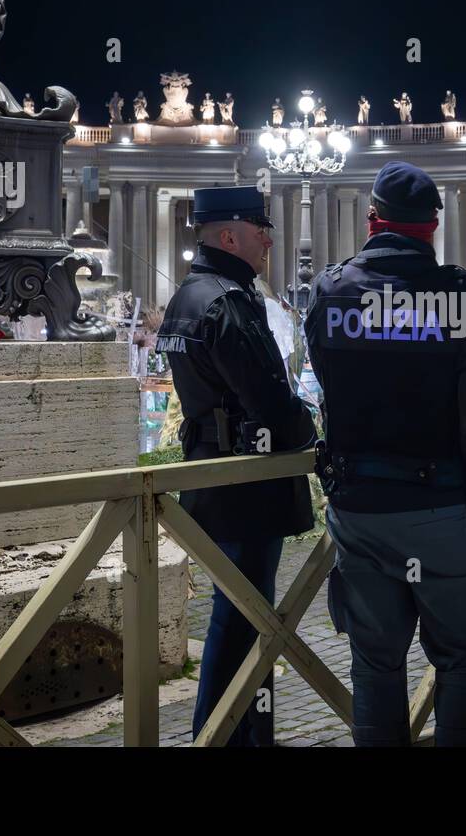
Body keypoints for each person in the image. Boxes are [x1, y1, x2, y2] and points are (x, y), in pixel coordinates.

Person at [305, 160, 466, 746]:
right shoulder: (464, 295)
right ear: (434, 226)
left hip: (360, 504)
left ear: (373, 221)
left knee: (375, 661)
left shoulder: (331, 288)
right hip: (442, 503)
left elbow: (326, 375)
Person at [155, 186, 317, 746]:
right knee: (247, 618)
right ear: (229, 235)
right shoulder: (229, 301)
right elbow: (270, 402)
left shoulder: (188, 296)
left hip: (209, 473)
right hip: (246, 480)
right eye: (259, 229)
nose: (269, 238)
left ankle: (237, 735)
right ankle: (227, 738)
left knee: (240, 616)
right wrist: (311, 431)